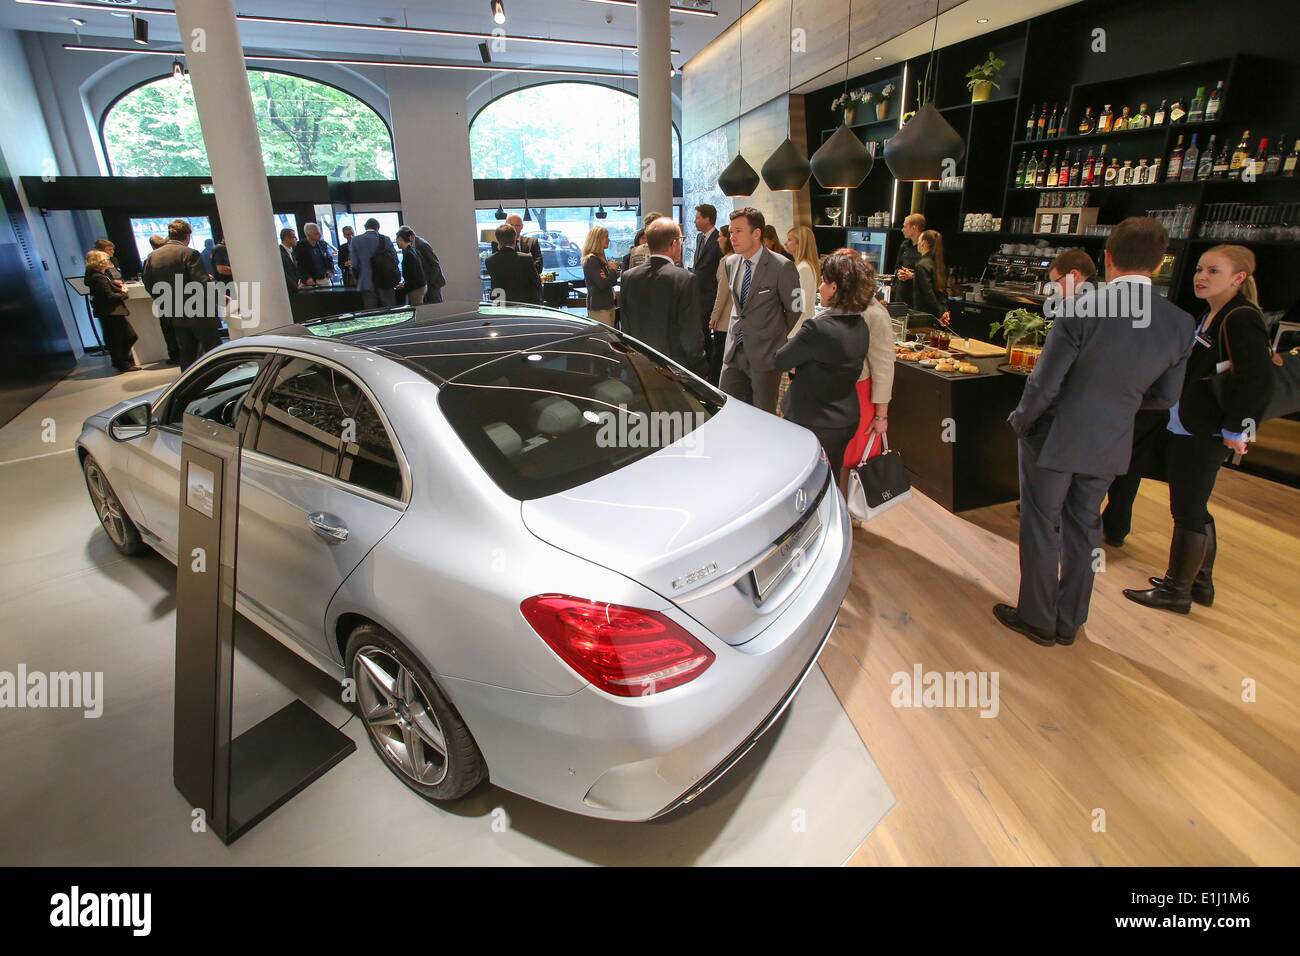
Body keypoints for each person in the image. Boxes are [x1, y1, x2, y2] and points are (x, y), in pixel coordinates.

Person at [994, 217, 1194, 647]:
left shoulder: (1082, 308)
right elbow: (1164, 395)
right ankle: (1070, 621)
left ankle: (1037, 618)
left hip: (1052, 436)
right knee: (1085, 527)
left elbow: (1044, 383)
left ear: (1107, 258)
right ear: (1159, 265)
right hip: (1111, 437)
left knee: (1041, 525)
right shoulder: (1180, 323)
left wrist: (1021, 420)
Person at [1123, 245, 1274, 614]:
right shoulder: (1212, 314)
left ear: (1238, 278)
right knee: (1193, 505)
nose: (1201, 276)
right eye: (1200, 269)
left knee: (1188, 509)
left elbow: (1257, 380)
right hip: (1188, 424)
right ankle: (1199, 582)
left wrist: (1236, 429)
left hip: (1205, 430)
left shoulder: (1240, 317)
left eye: (1213, 271)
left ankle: (1177, 591)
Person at [773, 249, 872, 469]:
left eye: (824, 282)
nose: (820, 287)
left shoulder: (819, 328)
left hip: (813, 420)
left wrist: (800, 365)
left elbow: (780, 360)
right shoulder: (860, 325)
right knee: (831, 476)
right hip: (845, 418)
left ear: (835, 287)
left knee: (804, 479)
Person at [718, 207, 802, 414]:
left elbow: (796, 308)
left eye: (738, 231)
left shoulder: (783, 266)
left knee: (763, 416)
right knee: (725, 411)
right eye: (730, 232)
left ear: (756, 233)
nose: (732, 237)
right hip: (734, 351)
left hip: (765, 356)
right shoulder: (730, 262)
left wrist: (773, 335)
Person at [617, 217, 703, 372]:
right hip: (675, 368)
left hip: (640, 365)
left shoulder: (628, 276)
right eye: (681, 240)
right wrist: (700, 365)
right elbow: (690, 333)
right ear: (675, 243)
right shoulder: (685, 279)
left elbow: (626, 325)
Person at [841, 259, 897, 478]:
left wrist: (881, 416)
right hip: (847, 391)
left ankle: (849, 510)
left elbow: (883, 368)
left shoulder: (875, 314)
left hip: (863, 394)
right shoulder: (849, 308)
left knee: (856, 459)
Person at [142, 219, 218, 370]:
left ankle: (190, 388)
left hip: (174, 313)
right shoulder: (189, 253)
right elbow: (201, 283)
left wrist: (164, 302)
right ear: (188, 235)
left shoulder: (152, 256)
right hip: (200, 312)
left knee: (187, 354)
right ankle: (223, 385)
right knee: (214, 351)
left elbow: (148, 284)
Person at [85, 249, 138, 373]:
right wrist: (124, 293)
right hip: (111, 312)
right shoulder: (98, 277)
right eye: (107, 259)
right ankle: (121, 362)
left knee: (124, 337)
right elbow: (109, 297)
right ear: (101, 262)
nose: (109, 261)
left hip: (111, 312)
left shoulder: (100, 276)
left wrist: (116, 286)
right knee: (122, 338)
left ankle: (122, 361)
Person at [485, 222, 542, 305]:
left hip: (500, 304)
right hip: (524, 304)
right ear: (515, 238)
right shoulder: (526, 258)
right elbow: (536, 282)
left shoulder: (489, 261)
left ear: (497, 240)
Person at [349, 218, 400, 309]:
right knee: (391, 310)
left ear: (365, 227)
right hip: (385, 279)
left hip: (366, 281)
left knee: (371, 312)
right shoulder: (385, 239)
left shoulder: (355, 240)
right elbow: (395, 260)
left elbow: (355, 264)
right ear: (378, 227)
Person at [706, 225, 733, 386]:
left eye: (721, 236)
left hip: (724, 319)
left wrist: (714, 317)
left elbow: (721, 293)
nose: (718, 239)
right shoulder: (737, 259)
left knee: (718, 358)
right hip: (732, 318)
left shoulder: (726, 261)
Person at [692, 204, 722, 349]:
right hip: (698, 293)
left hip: (711, 293)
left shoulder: (719, 239)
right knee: (699, 330)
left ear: (707, 219)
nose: (694, 221)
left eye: (697, 218)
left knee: (706, 330)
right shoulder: (699, 238)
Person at [785, 225, 820, 338]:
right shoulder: (803, 266)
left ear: (800, 244)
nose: (786, 243)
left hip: (797, 330)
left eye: (790, 240)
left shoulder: (803, 268)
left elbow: (798, 305)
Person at [581, 225, 620, 325]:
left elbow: (611, 282)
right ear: (597, 239)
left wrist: (610, 275)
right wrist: (613, 270)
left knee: (610, 336)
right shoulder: (591, 260)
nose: (609, 239)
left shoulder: (601, 259)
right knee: (605, 337)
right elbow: (602, 284)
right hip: (599, 307)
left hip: (608, 304)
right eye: (606, 236)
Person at [912, 228, 950, 324]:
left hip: (923, 316)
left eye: (919, 240)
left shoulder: (921, 265)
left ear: (923, 243)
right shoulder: (939, 264)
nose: (918, 243)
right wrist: (944, 312)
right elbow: (942, 292)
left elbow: (928, 293)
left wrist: (940, 314)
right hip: (936, 316)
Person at [403, 228, 446, 304]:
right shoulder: (413, 246)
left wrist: (429, 282)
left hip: (433, 284)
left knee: (435, 307)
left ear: (412, 235)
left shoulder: (422, 245)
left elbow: (435, 264)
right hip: (426, 282)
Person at [893, 213, 925, 308]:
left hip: (917, 296)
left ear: (914, 228)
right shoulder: (905, 245)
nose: (902, 229)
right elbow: (897, 266)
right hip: (901, 293)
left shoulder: (926, 246)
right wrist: (899, 273)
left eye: (905, 226)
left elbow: (931, 275)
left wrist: (912, 276)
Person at [395, 229, 427, 307]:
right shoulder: (412, 250)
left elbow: (412, 274)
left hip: (416, 288)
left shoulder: (408, 254)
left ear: (400, 239)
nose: (396, 242)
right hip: (421, 285)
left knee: (417, 309)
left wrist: (404, 285)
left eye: (396, 239)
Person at [278, 228, 301, 294]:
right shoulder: (279, 253)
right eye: (294, 237)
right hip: (288, 291)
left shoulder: (292, 251)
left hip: (297, 288)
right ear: (286, 238)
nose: (296, 239)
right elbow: (284, 273)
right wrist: (295, 285)